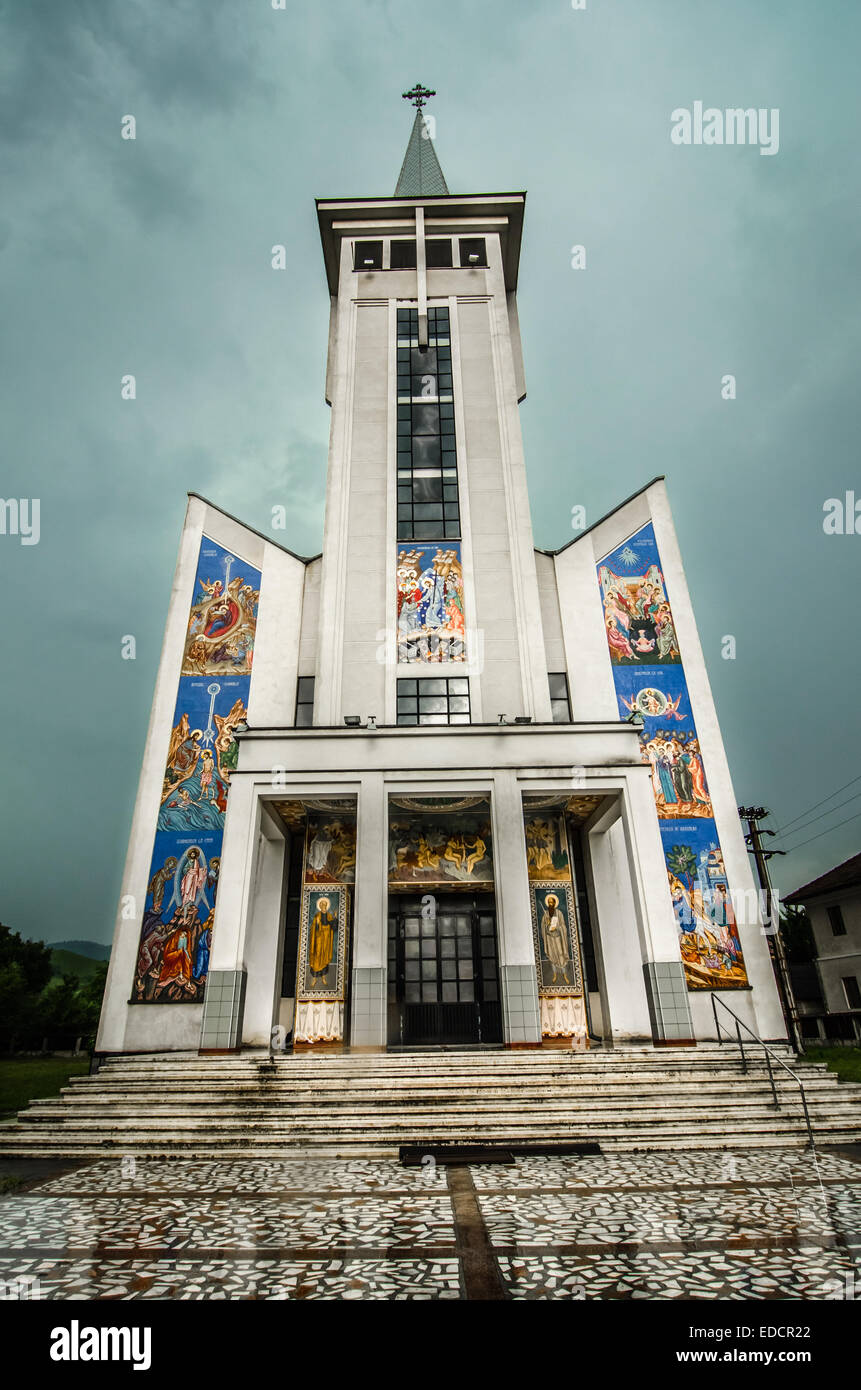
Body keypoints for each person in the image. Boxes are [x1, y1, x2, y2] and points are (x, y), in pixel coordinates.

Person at [540, 893, 570, 986]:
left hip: (558, 938)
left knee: (561, 955)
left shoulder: (559, 913)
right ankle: (554, 975)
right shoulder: (545, 915)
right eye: (549, 903)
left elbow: (563, 926)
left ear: (554, 903)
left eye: (552, 902)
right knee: (552, 957)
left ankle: (565, 975)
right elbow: (543, 927)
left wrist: (557, 927)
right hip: (549, 938)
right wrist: (547, 925)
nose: (550, 904)